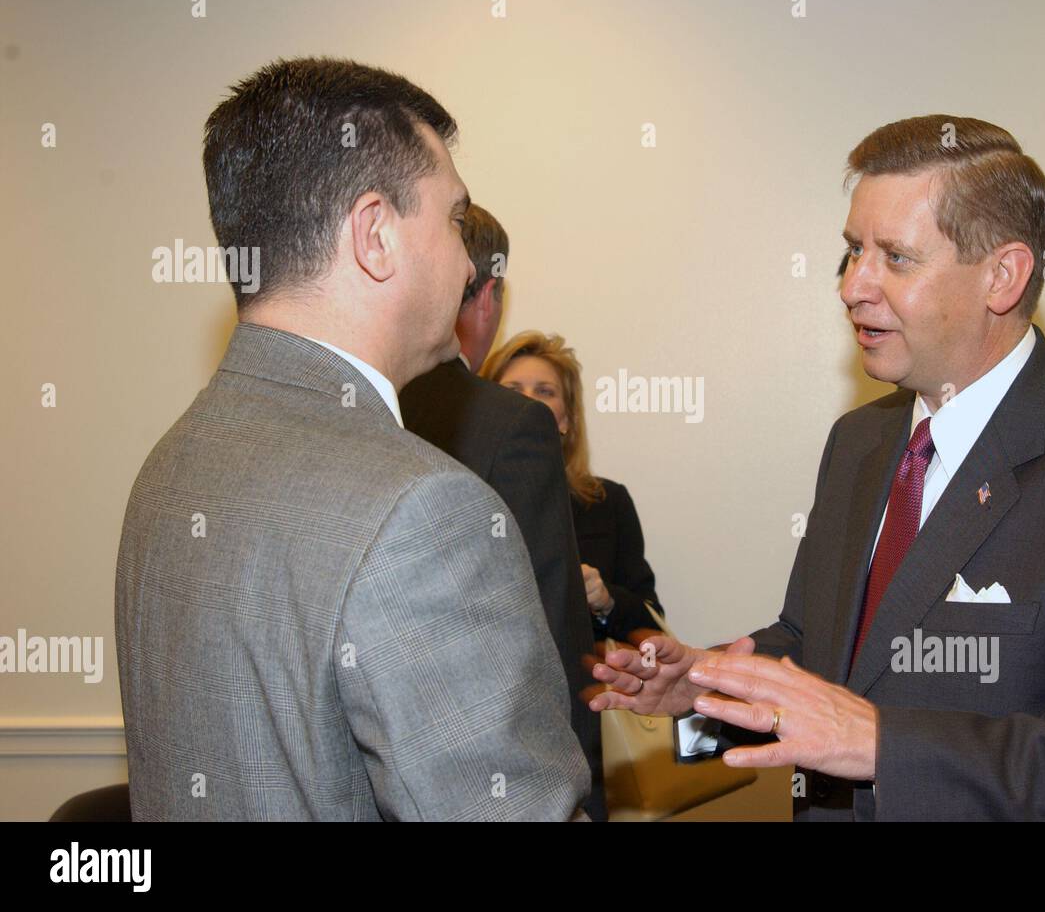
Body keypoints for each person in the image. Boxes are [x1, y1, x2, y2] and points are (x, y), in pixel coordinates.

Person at [591, 115, 1045, 821]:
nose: (852, 285)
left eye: (895, 257)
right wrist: (705, 689)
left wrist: (885, 745)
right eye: (853, 251)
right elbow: (822, 649)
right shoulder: (859, 442)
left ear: (1002, 276)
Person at [114, 57, 589, 820]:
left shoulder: (169, 468)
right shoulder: (424, 512)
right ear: (375, 234)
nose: (469, 263)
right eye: (456, 221)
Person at [398, 207, 605, 819]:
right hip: (497, 781)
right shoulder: (513, 428)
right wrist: (583, 798)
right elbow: (550, 633)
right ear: (488, 295)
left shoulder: (348, 407)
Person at [482, 332, 665, 644]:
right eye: (512, 390)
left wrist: (606, 600)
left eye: (545, 391)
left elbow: (654, 626)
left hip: (585, 685)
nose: (527, 402)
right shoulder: (463, 499)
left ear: (567, 419)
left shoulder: (608, 502)